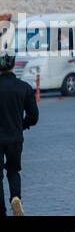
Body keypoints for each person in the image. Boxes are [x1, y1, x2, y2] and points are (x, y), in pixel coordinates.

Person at [0, 47, 39, 216]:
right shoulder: (24, 87)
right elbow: (34, 116)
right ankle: (15, 198)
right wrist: (21, 124)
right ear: (13, 64)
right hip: (15, 137)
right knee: (13, 170)